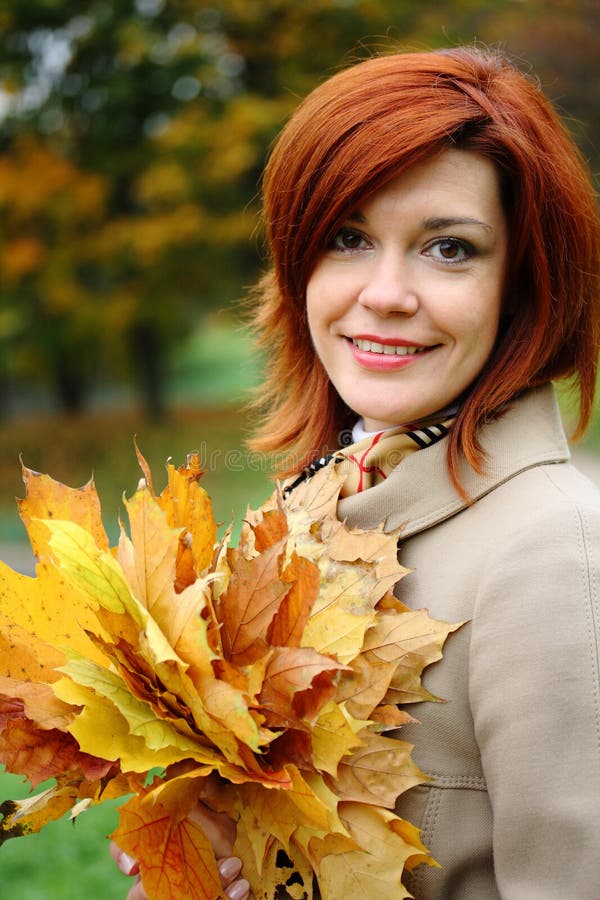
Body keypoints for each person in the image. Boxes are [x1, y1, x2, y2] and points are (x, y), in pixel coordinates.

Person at [114, 45, 600, 899]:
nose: (384, 293)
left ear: (522, 285)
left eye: (448, 249)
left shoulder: (554, 553)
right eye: (348, 238)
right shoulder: (312, 506)